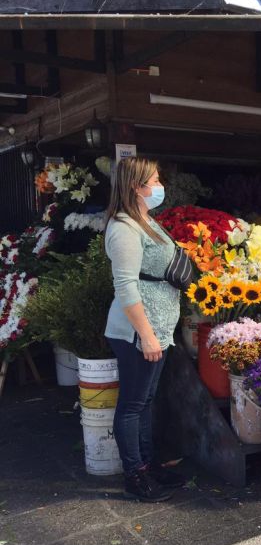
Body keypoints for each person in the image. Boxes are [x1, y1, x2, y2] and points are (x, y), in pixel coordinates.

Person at [105, 157, 184, 502]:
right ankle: (134, 474)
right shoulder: (123, 227)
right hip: (138, 333)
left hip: (158, 328)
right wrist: (147, 335)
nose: (159, 184)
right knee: (133, 404)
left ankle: (148, 464)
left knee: (146, 400)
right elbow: (126, 286)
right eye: (154, 179)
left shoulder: (144, 221)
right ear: (137, 187)